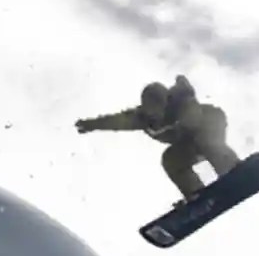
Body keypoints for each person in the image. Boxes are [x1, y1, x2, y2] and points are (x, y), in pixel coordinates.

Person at [75, 75, 240, 203]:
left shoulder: (181, 102)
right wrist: (91, 125)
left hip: (209, 123)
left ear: (166, 102)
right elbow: (117, 121)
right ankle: (195, 193)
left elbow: (193, 115)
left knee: (207, 142)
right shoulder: (142, 119)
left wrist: (182, 121)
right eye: (150, 111)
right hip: (187, 142)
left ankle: (231, 169)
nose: (155, 115)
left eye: (157, 109)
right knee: (170, 160)